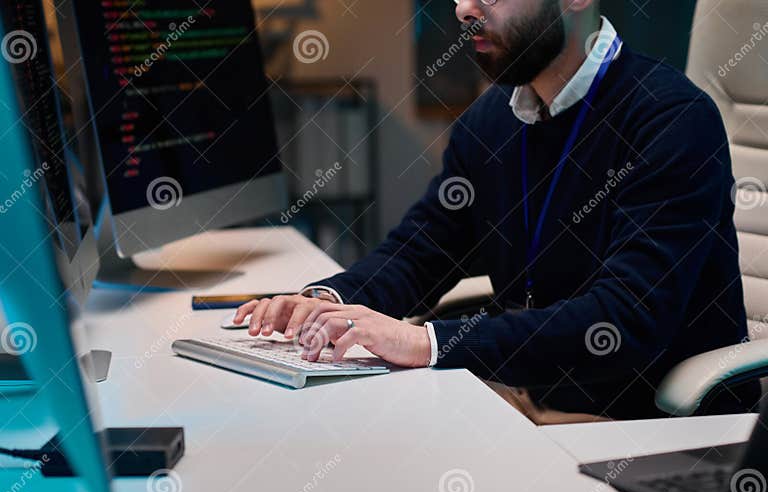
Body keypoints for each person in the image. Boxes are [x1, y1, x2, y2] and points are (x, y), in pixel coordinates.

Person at [235, 0, 759, 421]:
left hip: (646, 428)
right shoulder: (491, 122)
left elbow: (625, 319)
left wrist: (426, 341)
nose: (464, 9)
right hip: (529, 403)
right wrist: (327, 302)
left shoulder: (671, 119)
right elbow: (420, 252)